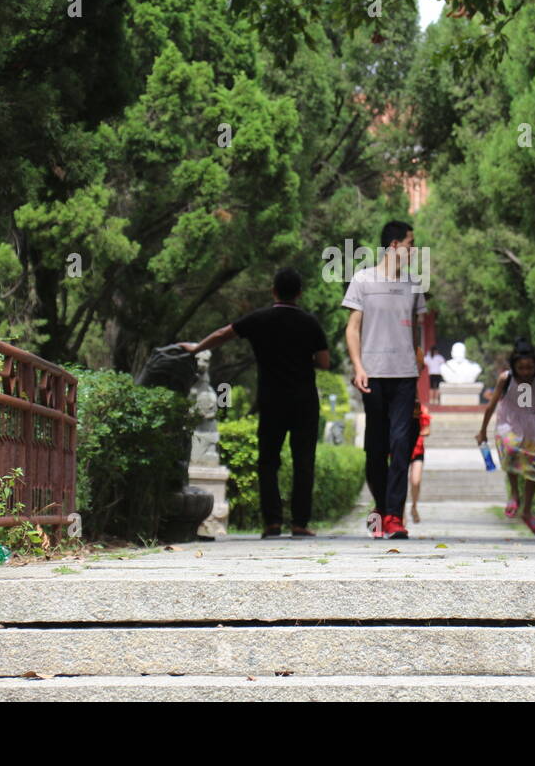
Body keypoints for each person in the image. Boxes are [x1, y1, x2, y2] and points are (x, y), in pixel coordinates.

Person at [180, 268, 330, 538]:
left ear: (273, 291)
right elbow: (324, 362)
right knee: (303, 461)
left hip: (272, 399)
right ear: (299, 293)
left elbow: (225, 333)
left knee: (268, 462)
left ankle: (272, 523)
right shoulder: (310, 323)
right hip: (304, 401)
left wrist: (197, 348)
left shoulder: (260, 319)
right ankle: (299, 523)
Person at [344, 220, 426, 540]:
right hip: (373, 375)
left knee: (401, 445)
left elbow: (417, 330)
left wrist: (418, 365)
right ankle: (380, 507)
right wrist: (358, 366)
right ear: (394, 246)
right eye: (410, 244)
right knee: (375, 448)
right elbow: (352, 328)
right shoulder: (363, 280)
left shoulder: (414, 283)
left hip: (405, 376)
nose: (414, 250)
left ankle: (394, 515)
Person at [475, 339, 535, 535]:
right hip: (508, 423)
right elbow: (491, 405)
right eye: (521, 368)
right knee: (510, 451)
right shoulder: (505, 379)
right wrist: (483, 430)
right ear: (514, 366)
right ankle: (514, 494)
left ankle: (527, 511)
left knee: (534, 467)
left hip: (532, 426)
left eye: (530, 368)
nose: (526, 372)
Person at [407, 398, 431, 523]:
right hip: (401, 449)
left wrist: (418, 433)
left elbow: (427, 429)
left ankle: (414, 506)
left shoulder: (422, 409)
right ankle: (399, 512)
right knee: (399, 481)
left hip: (417, 449)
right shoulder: (398, 408)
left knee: (415, 481)